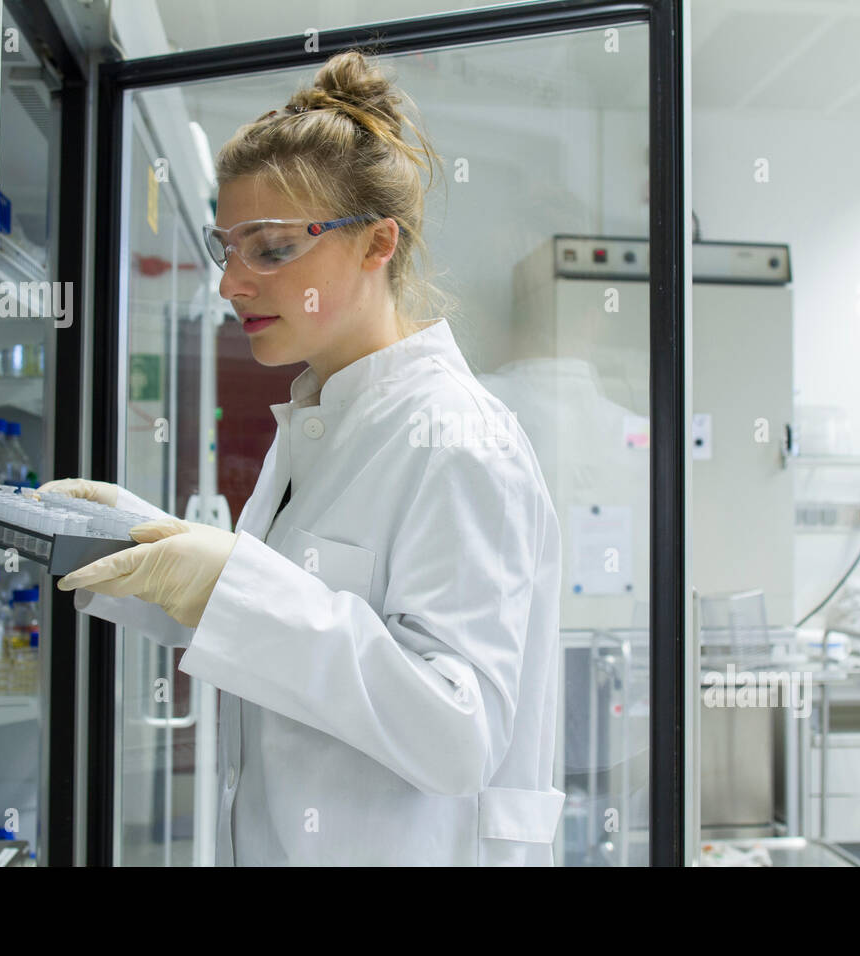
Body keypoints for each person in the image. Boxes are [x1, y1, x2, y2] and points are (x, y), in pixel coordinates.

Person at [42, 48, 564, 865]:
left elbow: (458, 734)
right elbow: (289, 633)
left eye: (272, 249)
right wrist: (138, 549)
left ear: (376, 244)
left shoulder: (458, 440)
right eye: (227, 249)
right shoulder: (324, 422)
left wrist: (227, 584)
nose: (232, 285)